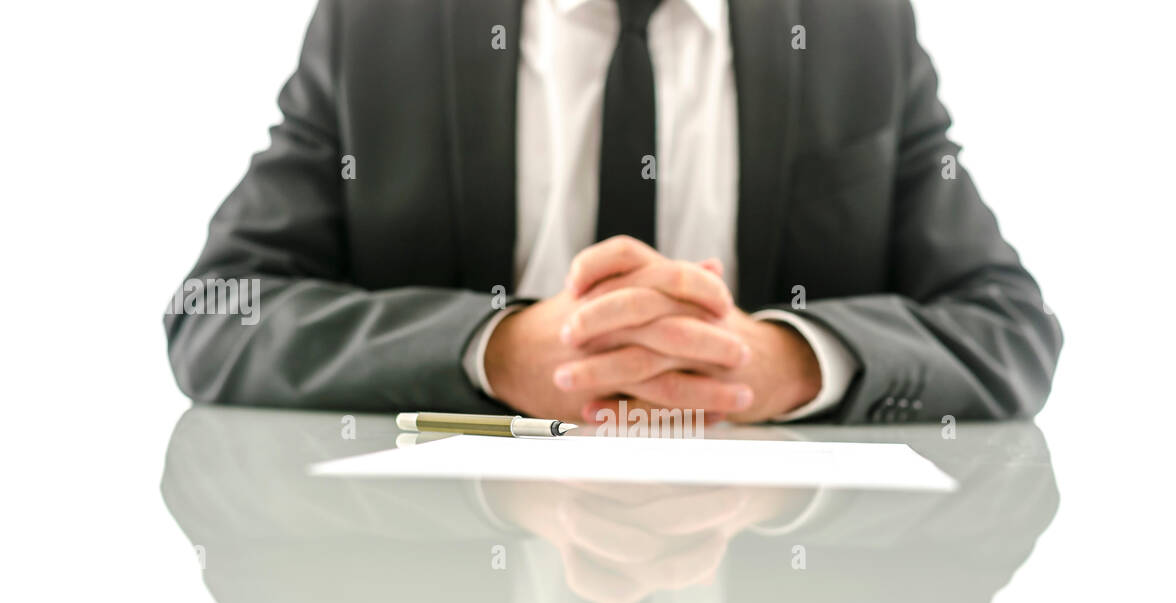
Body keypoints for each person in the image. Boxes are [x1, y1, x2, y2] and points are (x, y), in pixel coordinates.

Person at [164, 0, 1062, 425]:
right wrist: (495, 350)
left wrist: (784, 361)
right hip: (435, 593)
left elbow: (1008, 325)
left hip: (780, 592)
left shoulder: (852, 25)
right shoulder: (383, 22)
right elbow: (217, 311)